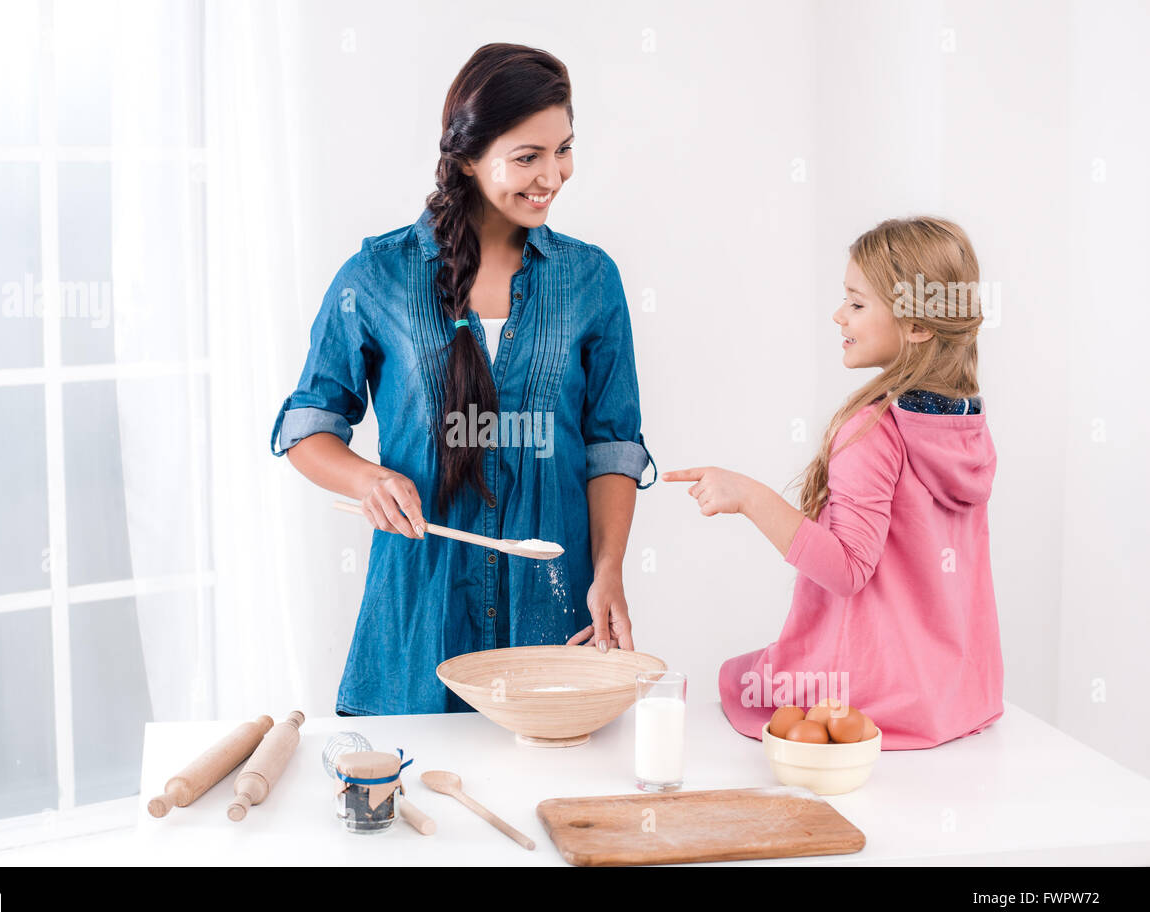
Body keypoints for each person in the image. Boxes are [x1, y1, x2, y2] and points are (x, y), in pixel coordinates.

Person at [272, 43, 655, 716]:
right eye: (527, 157)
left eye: (563, 149)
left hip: (553, 612)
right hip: (419, 615)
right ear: (470, 157)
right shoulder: (377, 276)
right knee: (421, 806)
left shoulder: (592, 279)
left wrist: (608, 572)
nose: (554, 175)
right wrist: (368, 480)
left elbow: (611, 446)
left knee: (545, 802)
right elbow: (308, 427)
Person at [664, 217, 1002, 749]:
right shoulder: (963, 426)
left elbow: (846, 569)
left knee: (741, 681)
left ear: (916, 326)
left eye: (857, 303)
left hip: (868, 697)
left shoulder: (871, 430)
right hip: (956, 696)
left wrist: (749, 497)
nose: (838, 314)